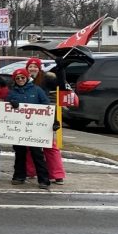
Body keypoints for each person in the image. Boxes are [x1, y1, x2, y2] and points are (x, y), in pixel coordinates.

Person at [6, 65, 53, 190]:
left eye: (22, 77)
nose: (20, 80)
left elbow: (46, 105)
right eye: (17, 78)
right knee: (19, 153)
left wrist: (53, 121)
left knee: (37, 154)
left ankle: (44, 180)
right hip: (18, 128)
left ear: (27, 78)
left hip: (34, 128)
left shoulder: (37, 90)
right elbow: (5, 108)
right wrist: (10, 103)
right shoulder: (12, 92)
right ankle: (19, 176)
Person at [26, 56, 66, 184]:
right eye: (30, 66)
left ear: (39, 68)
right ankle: (30, 171)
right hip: (26, 117)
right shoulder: (22, 78)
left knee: (49, 146)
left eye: (35, 66)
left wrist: (61, 69)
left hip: (43, 116)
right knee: (28, 145)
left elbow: (61, 84)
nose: (32, 68)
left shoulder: (46, 79)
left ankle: (57, 174)